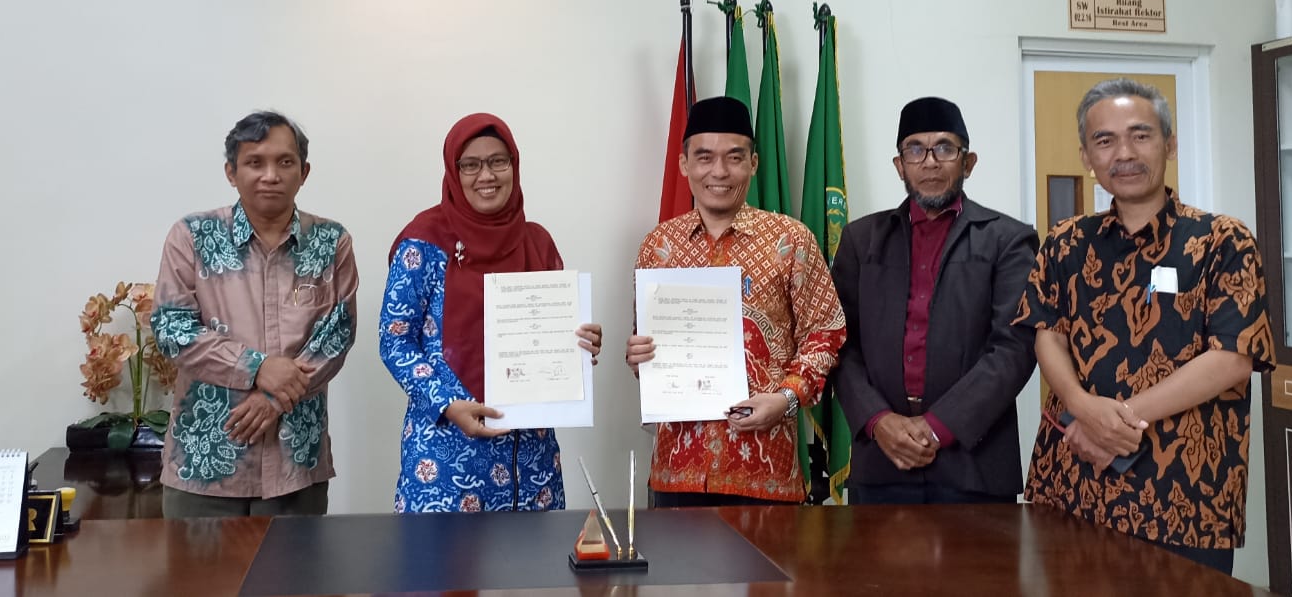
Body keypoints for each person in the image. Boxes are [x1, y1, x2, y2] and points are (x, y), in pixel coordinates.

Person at [1017, 78, 1274, 574]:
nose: (1124, 154)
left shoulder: (1223, 241)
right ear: (1086, 156)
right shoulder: (1066, 242)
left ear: (1169, 145)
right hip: (1074, 483)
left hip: (1184, 494)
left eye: (1141, 135)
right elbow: (1047, 334)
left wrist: (1113, 422)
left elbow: (1232, 358)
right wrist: (1082, 407)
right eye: (1105, 140)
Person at [625, 96, 847, 506]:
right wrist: (639, 357)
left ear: (754, 163)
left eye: (734, 157)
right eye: (704, 157)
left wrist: (786, 399)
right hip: (677, 473)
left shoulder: (790, 240)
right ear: (683, 164)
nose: (719, 172)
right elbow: (648, 349)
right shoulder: (658, 247)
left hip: (766, 470)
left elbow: (825, 333)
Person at [381, 113, 602, 513]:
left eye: (498, 161)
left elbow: (552, 334)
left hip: (530, 461)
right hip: (445, 453)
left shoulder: (537, 242)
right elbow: (395, 341)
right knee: (440, 556)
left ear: (514, 165)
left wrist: (579, 346)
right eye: (471, 165)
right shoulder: (424, 242)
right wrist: (447, 402)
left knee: (534, 555)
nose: (486, 175)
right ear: (454, 171)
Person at [830, 96, 1039, 504]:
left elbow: (1015, 347)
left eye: (945, 148)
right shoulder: (861, 240)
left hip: (973, 465)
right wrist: (878, 420)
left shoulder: (1008, 240)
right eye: (915, 149)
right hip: (880, 459)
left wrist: (938, 426)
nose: (930, 162)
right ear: (899, 165)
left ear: (968, 162)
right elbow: (839, 342)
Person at [149, 111, 358, 518]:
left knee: (297, 564)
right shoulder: (192, 236)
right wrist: (257, 367)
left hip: (296, 464)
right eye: (255, 162)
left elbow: (337, 334)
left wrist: (273, 399)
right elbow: (172, 328)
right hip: (206, 464)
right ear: (231, 172)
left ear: (304, 172)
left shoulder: (331, 242)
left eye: (285, 162)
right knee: (198, 565)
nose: (270, 176)